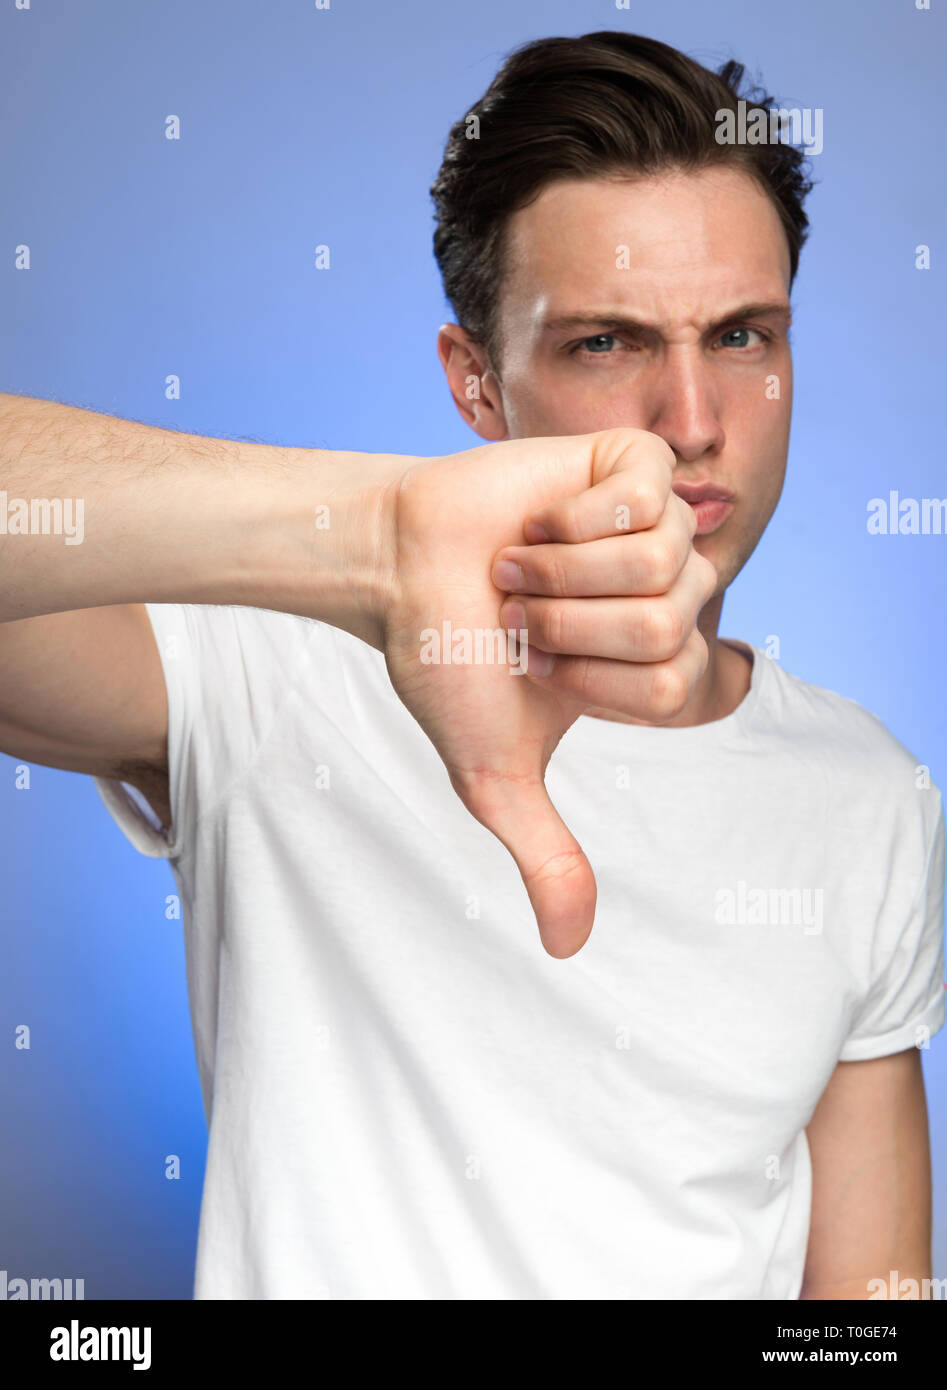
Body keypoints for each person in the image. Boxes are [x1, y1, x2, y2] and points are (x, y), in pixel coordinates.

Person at [1, 31, 942, 1300]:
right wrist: (377, 538)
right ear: (476, 387)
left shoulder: (868, 796)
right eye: (604, 343)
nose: (692, 421)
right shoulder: (274, 668)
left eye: (738, 335)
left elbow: (865, 1308)